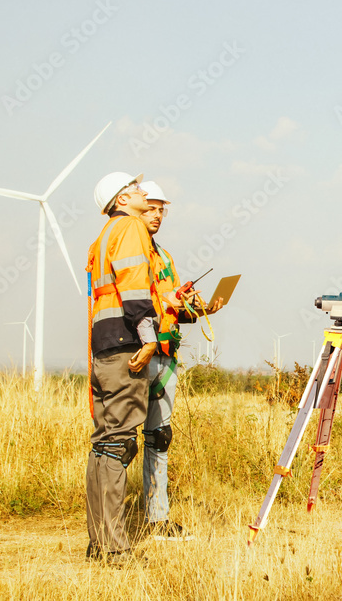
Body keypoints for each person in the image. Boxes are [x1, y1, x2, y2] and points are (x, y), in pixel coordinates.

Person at [137, 181, 223, 541]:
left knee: (160, 437)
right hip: (137, 355)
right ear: (133, 209)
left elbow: (174, 310)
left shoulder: (165, 256)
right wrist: (168, 301)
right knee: (121, 440)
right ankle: (114, 527)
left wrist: (199, 308)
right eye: (150, 208)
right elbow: (134, 305)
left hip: (167, 354)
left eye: (161, 209)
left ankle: (157, 518)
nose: (157, 215)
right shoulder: (129, 253)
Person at [85, 172, 162, 565]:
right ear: (120, 200)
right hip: (125, 345)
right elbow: (134, 286)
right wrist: (149, 336)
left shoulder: (103, 237)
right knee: (119, 443)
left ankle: (99, 541)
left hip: (103, 346)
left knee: (102, 444)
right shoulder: (131, 227)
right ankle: (115, 548)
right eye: (134, 190)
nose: (142, 193)